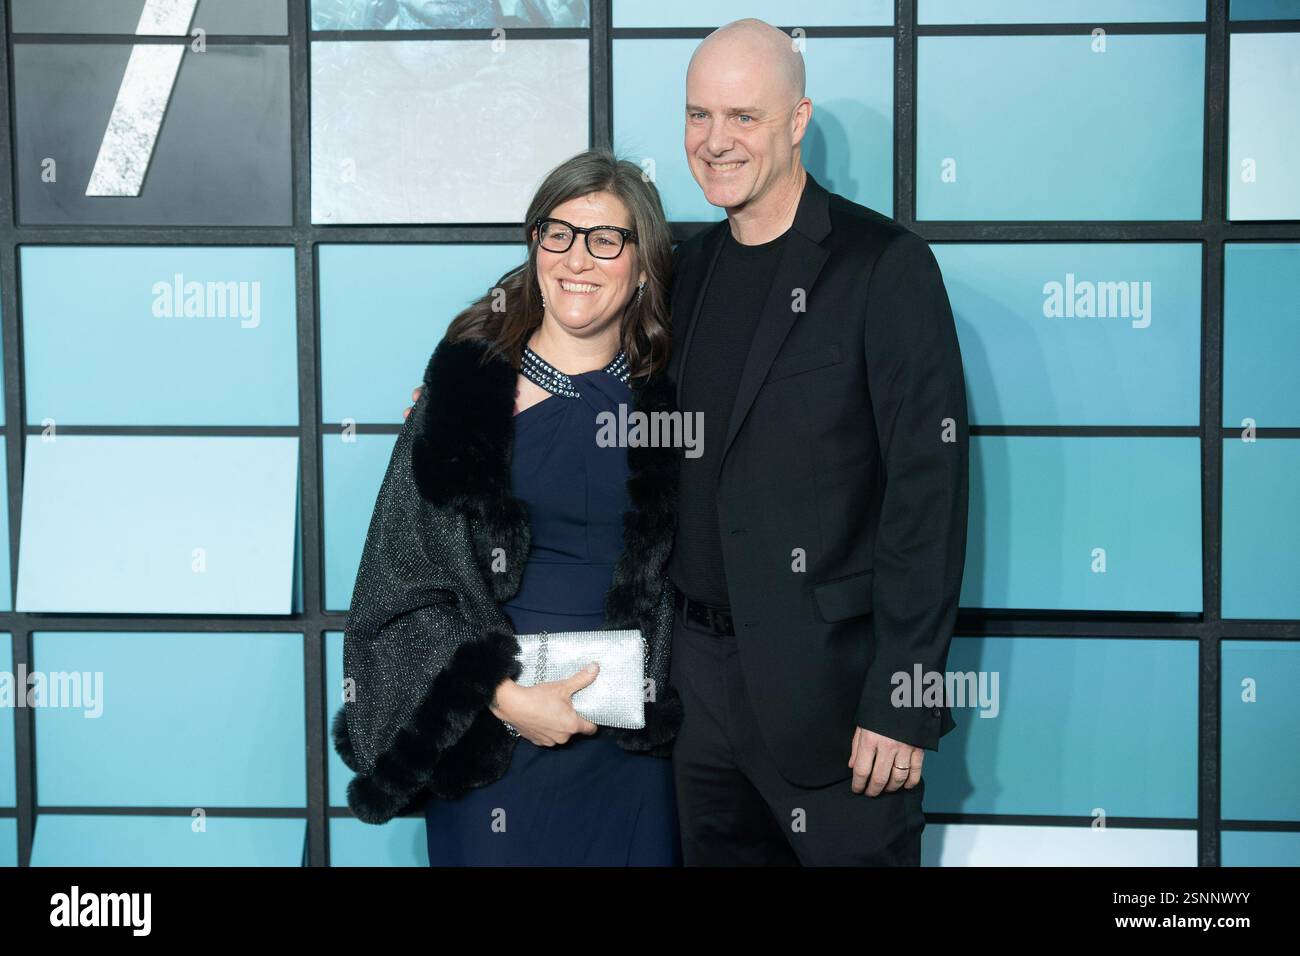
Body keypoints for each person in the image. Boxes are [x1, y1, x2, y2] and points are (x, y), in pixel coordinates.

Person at [662, 18, 969, 866]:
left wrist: (903, 699)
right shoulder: (684, 272)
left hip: (838, 704)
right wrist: (471, 382)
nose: (715, 141)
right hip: (695, 700)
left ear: (797, 121)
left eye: (743, 117)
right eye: (698, 116)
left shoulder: (884, 265)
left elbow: (927, 492)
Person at [332, 147, 684, 866]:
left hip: (633, 752)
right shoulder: (468, 391)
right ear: (534, 246)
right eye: (558, 234)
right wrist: (499, 694)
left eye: (606, 239)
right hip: (495, 745)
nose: (578, 259)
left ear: (642, 262)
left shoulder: (680, 391)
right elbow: (399, 585)